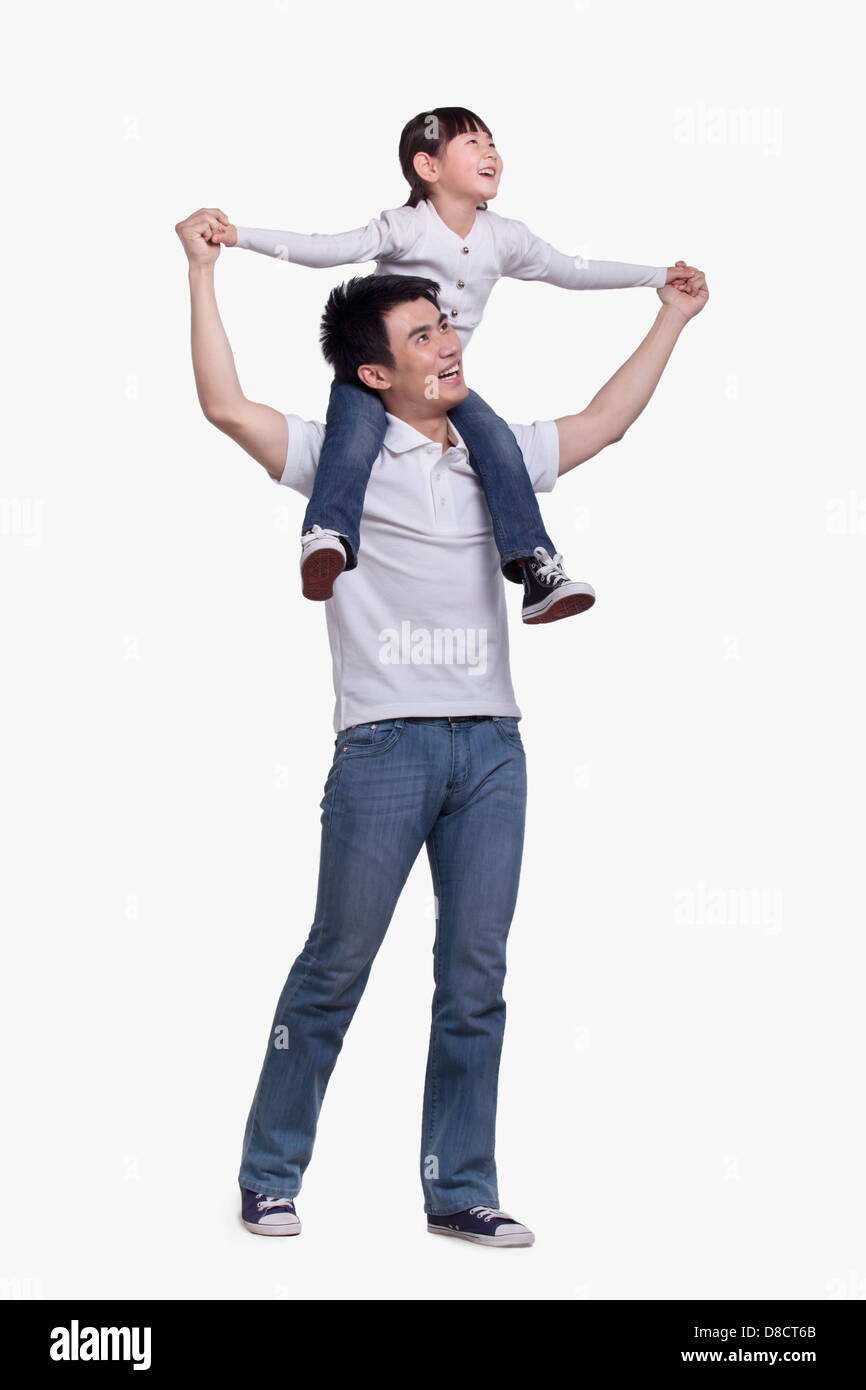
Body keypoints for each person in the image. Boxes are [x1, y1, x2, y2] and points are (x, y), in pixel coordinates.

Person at [174, 204, 708, 1245]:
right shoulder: (340, 455)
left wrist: (670, 321)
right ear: (373, 373)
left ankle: (457, 1185)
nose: (447, 340)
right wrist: (202, 273)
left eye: (444, 323)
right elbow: (226, 407)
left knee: (474, 979)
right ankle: (268, 1172)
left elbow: (602, 423)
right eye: (420, 334)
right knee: (335, 964)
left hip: (492, 749)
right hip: (384, 745)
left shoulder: (493, 459)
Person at [209, 105, 698, 621]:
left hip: (441, 386)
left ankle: (535, 567)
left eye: (493, 142)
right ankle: (326, 532)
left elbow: (573, 271)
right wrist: (238, 236)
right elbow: (328, 248)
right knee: (351, 441)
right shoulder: (405, 226)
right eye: (472, 143)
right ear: (428, 167)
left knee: (498, 446)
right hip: (373, 376)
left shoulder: (505, 238)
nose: (490, 151)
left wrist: (659, 275)